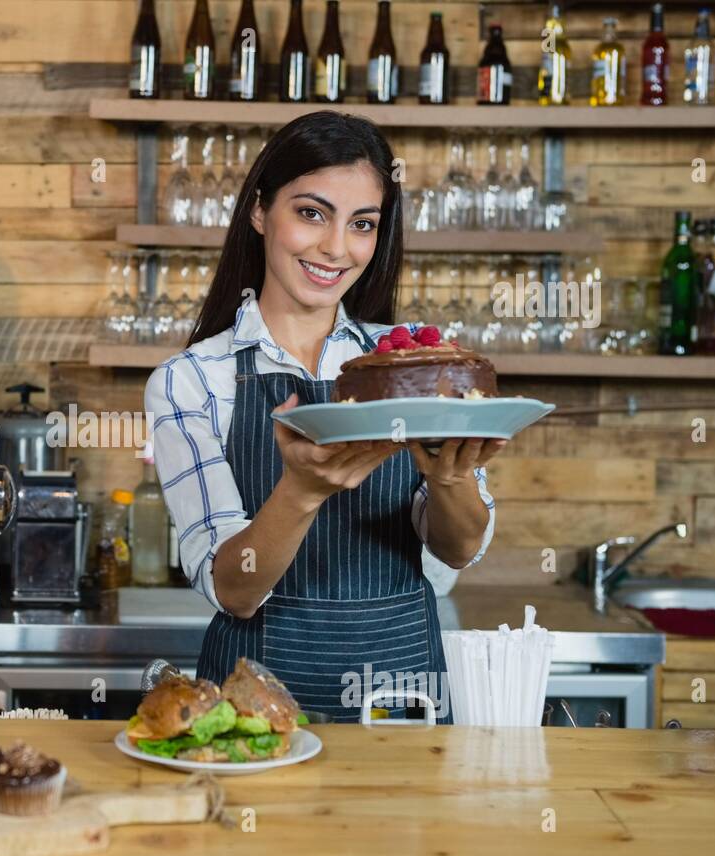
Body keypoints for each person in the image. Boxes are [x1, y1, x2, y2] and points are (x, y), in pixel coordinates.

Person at [145, 112, 504, 722]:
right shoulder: (191, 381)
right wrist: (302, 491)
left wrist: (451, 477)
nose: (337, 248)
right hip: (254, 706)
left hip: (402, 698)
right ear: (260, 211)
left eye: (361, 224)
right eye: (311, 213)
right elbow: (233, 587)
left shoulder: (407, 364)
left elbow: (460, 548)